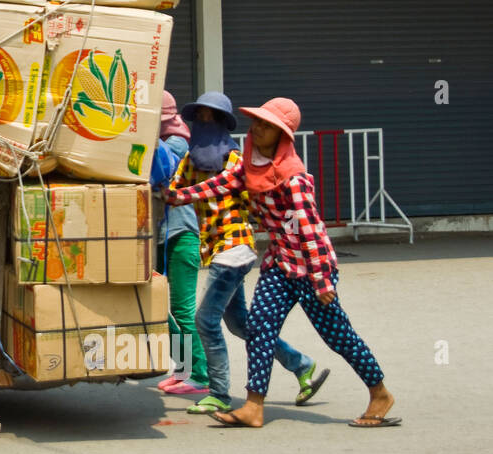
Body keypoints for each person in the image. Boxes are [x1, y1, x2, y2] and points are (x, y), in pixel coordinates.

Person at [164, 98, 397, 429]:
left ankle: (380, 393)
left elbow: (311, 230)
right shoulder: (250, 167)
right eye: (258, 123)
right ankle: (253, 406)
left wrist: (321, 280)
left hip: (310, 267)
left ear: (282, 136)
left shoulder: (293, 177)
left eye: (267, 127)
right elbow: (221, 184)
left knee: (337, 335)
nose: (257, 130)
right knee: (259, 329)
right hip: (279, 263)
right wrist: (178, 196)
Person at [169, 92, 327, 415]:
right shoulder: (189, 160)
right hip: (216, 251)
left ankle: (219, 391)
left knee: (204, 320)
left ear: (223, 124)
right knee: (241, 324)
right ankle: (302, 365)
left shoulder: (235, 160)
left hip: (235, 249)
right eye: (199, 117)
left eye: (211, 118)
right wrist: (166, 193)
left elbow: (227, 189)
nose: (203, 123)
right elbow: (175, 190)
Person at [152, 92, 208, 395]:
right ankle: (185, 367)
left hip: (181, 235)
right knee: (159, 307)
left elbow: (158, 168)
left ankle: (200, 373)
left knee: (182, 310)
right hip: (160, 234)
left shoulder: (176, 144)